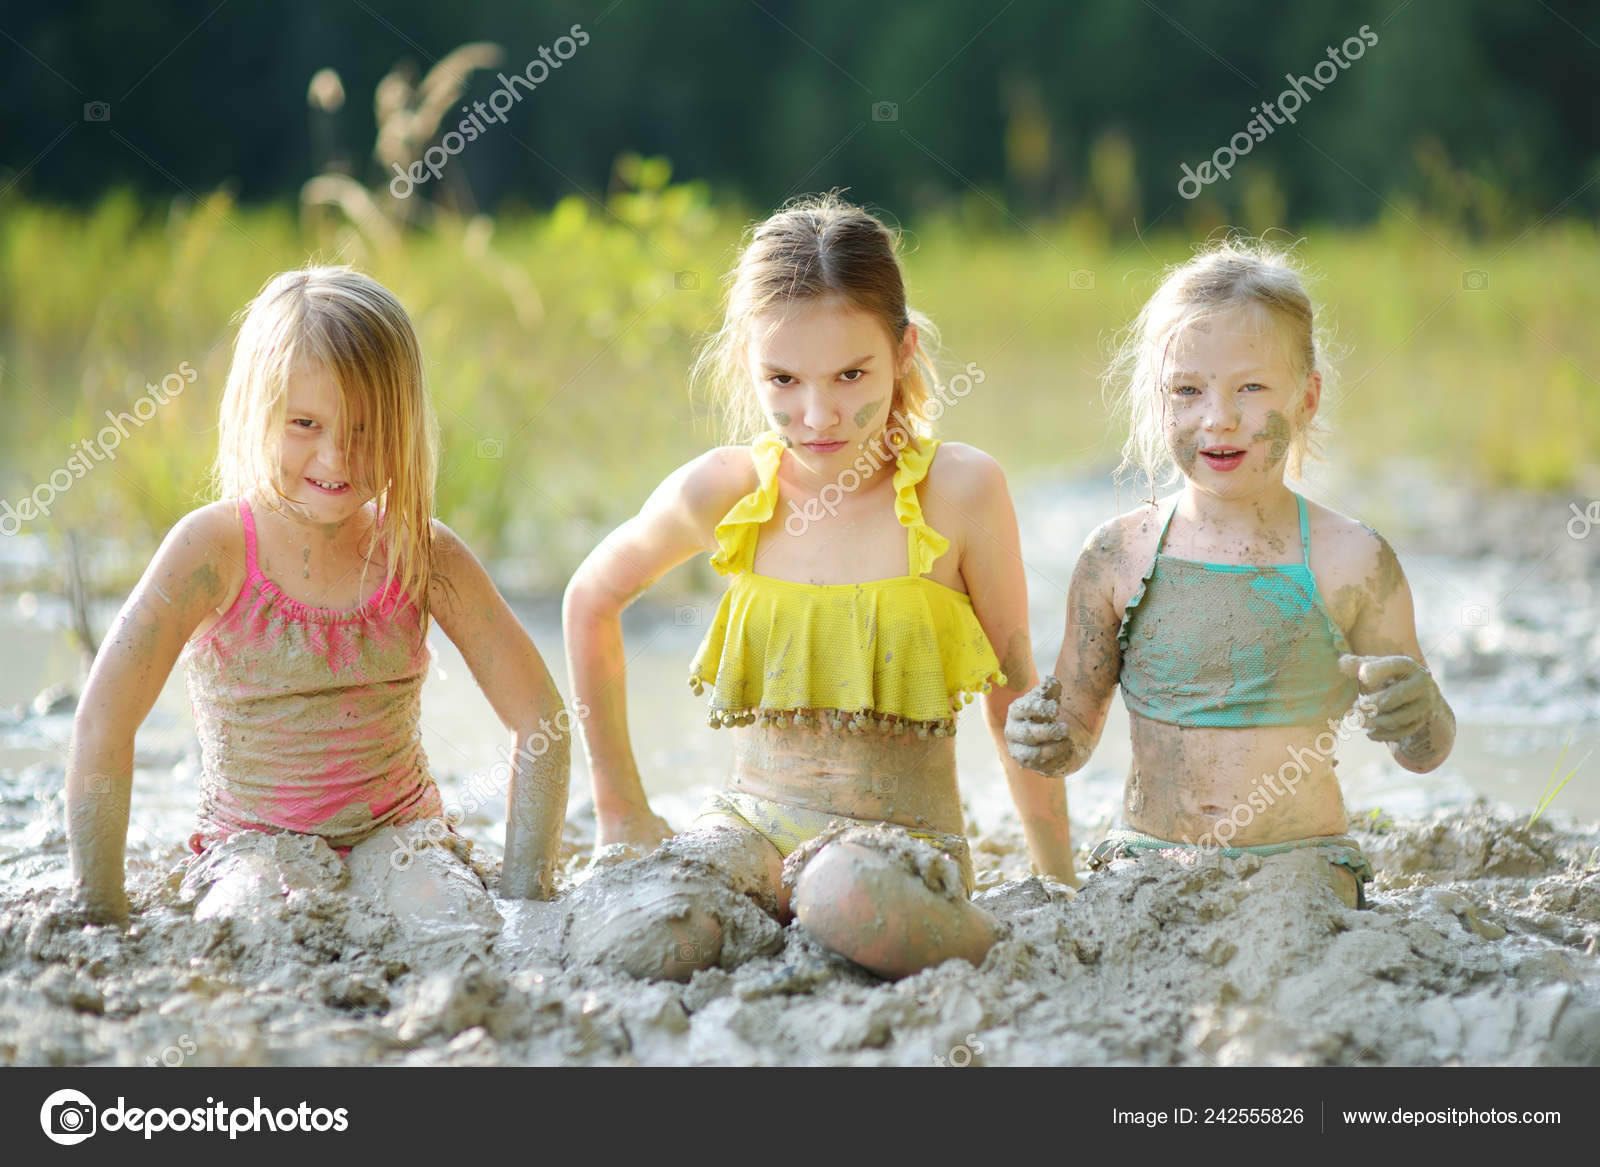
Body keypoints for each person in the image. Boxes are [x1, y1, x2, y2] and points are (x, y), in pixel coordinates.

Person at [562, 193, 1074, 980]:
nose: (818, 411)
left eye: (850, 373)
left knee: (841, 898)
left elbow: (1014, 683)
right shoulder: (722, 492)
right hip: (748, 826)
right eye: (784, 379)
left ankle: (978, 940)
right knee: (639, 937)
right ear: (747, 363)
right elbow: (590, 598)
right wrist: (619, 809)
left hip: (894, 853)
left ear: (903, 352)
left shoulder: (962, 489)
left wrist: (1056, 876)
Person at [65, 266, 569, 928]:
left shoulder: (419, 551)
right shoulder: (210, 551)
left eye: (365, 429)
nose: (336, 457)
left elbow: (542, 720)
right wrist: (101, 912)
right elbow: (104, 720)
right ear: (256, 411)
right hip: (252, 846)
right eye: (305, 423)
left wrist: (524, 898)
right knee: (250, 928)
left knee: (458, 922)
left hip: (402, 838)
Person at [1006, 239, 1454, 909]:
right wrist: (1035, 736)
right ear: (1159, 402)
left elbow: (1424, 751)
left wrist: (1419, 714)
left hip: (1301, 868)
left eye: (1250, 387)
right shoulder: (1117, 556)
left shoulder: (1352, 559)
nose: (1218, 416)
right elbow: (1072, 732)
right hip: (1148, 865)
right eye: (1187, 389)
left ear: (1307, 397)